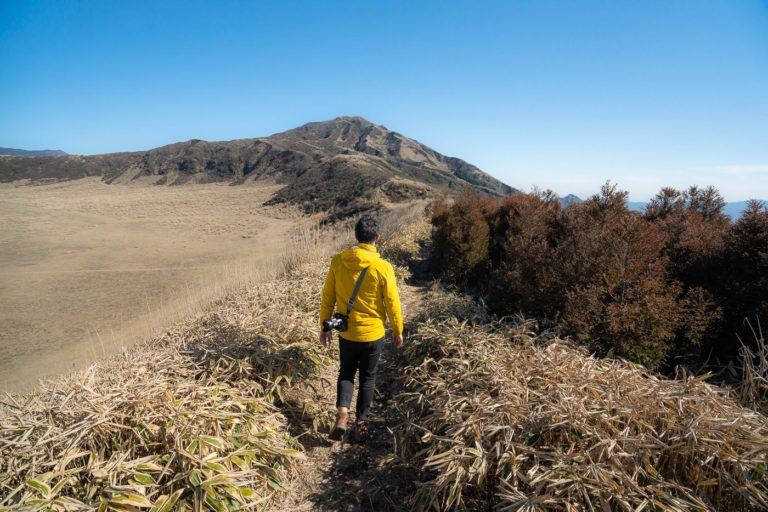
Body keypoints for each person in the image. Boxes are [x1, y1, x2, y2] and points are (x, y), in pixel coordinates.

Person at [319, 214, 403, 442]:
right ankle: (361, 423)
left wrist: (325, 325)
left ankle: (342, 413)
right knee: (368, 377)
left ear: (356, 237)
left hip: (347, 332)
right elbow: (392, 302)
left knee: (346, 371)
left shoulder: (338, 261)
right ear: (378, 237)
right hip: (373, 334)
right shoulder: (383, 267)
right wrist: (397, 329)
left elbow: (328, 296)